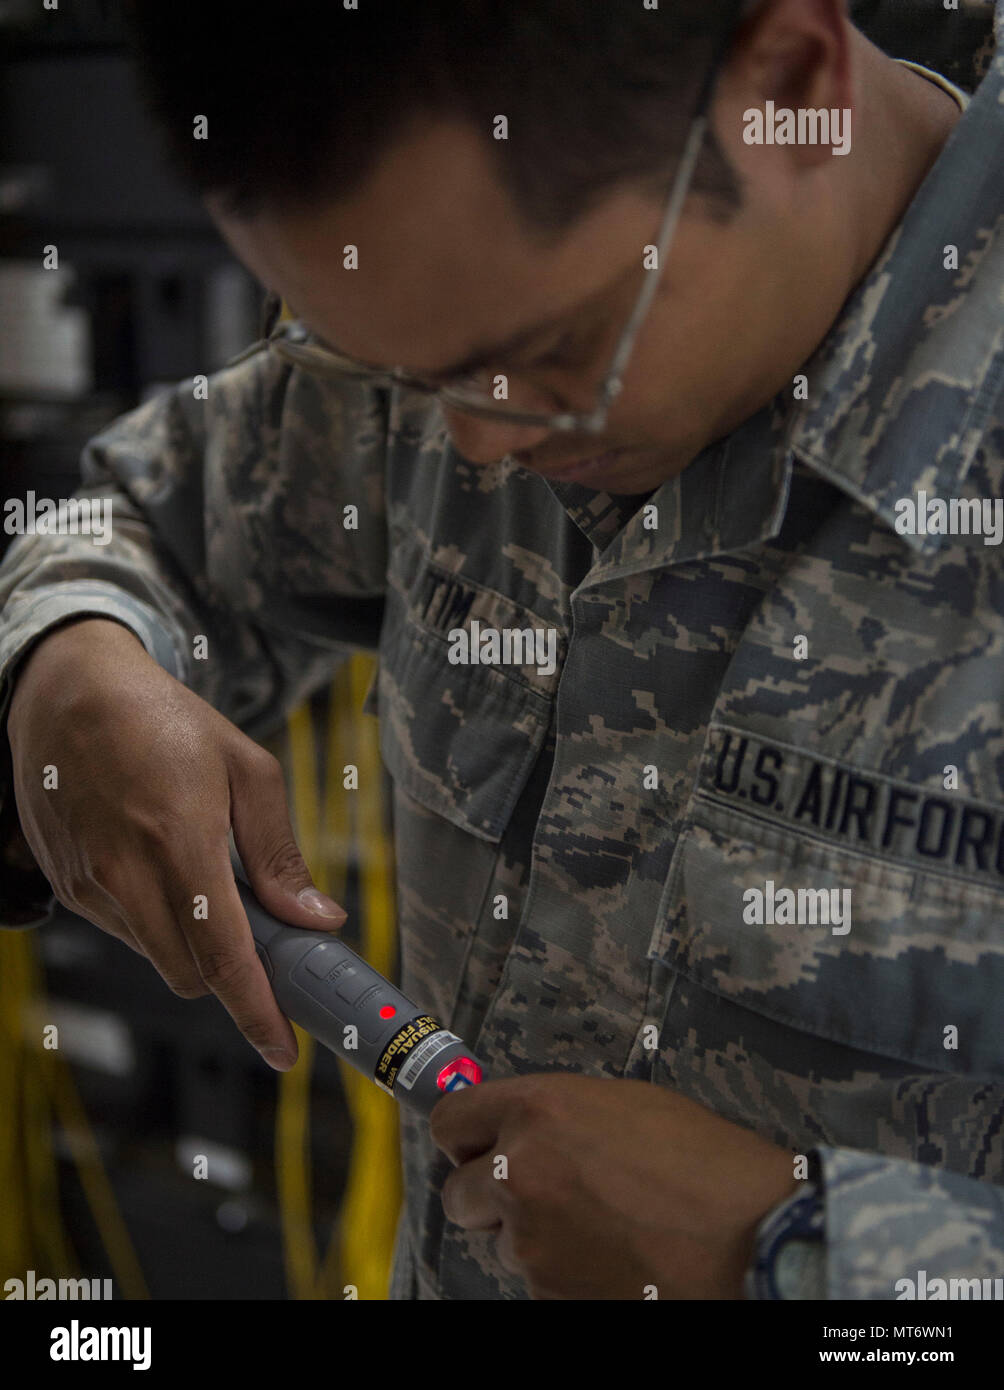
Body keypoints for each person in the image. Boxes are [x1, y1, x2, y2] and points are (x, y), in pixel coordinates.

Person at [1, 0, 1001, 1300]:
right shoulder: (458, 315)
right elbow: (131, 517)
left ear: (792, 83)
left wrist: (797, 1251)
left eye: (553, 355)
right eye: (398, 375)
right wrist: (69, 661)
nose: (474, 448)